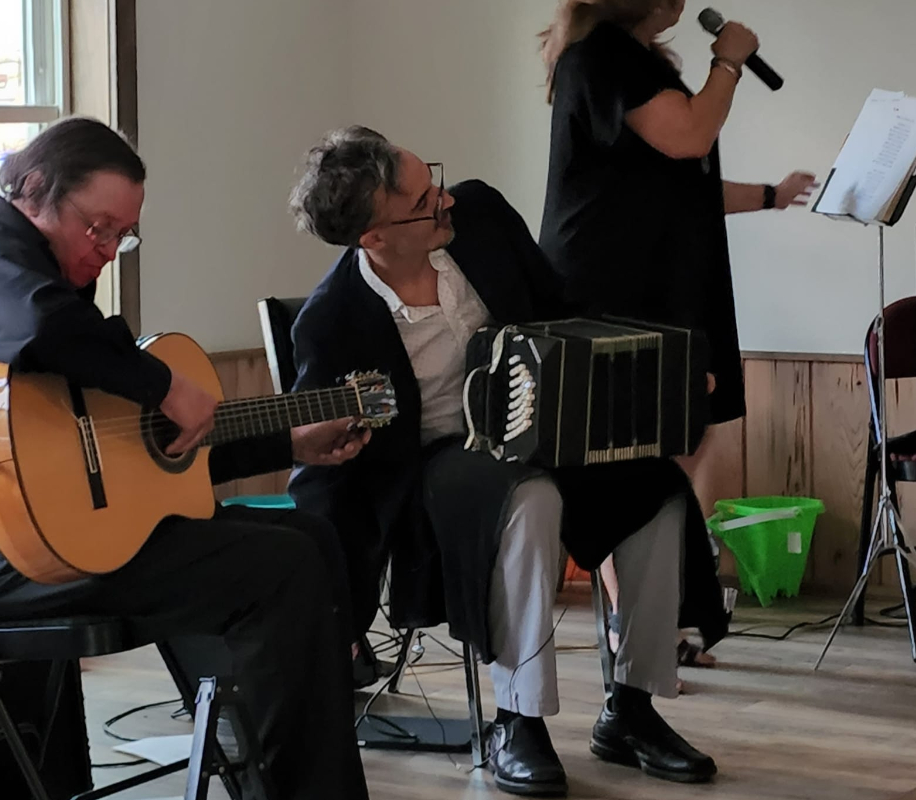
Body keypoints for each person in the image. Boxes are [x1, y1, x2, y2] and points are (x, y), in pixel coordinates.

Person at [0, 117, 370, 800]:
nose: (107, 249)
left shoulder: (54, 290)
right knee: (282, 566)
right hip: (3, 558)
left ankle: (285, 775)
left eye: (122, 236)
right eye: (98, 228)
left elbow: (136, 470)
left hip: (76, 538)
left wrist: (288, 444)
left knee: (308, 536)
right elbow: (45, 328)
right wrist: (162, 383)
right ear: (33, 187)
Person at [286, 125, 728, 791]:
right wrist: (336, 608)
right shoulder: (332, 321)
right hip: (440, 463)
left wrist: (659, 381)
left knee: (656, 485)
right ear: (373, 237)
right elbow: (325, 472)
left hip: (547, 434)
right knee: (528, 496)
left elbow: (564, 312)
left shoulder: (481, 216)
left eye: (433, 179)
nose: (445, 201)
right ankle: (520, 722)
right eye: (422, 199)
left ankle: (631, 708)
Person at [537, 0, 818, 673]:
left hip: (659, 291)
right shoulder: (601, 59)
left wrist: (772, 196)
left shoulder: (632, 63)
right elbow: (688, 136)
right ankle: (636, 632)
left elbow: (677, 183)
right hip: (612, 292)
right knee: (630, 468)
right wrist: (730, 61)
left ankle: (649, 620)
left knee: (680, 445)